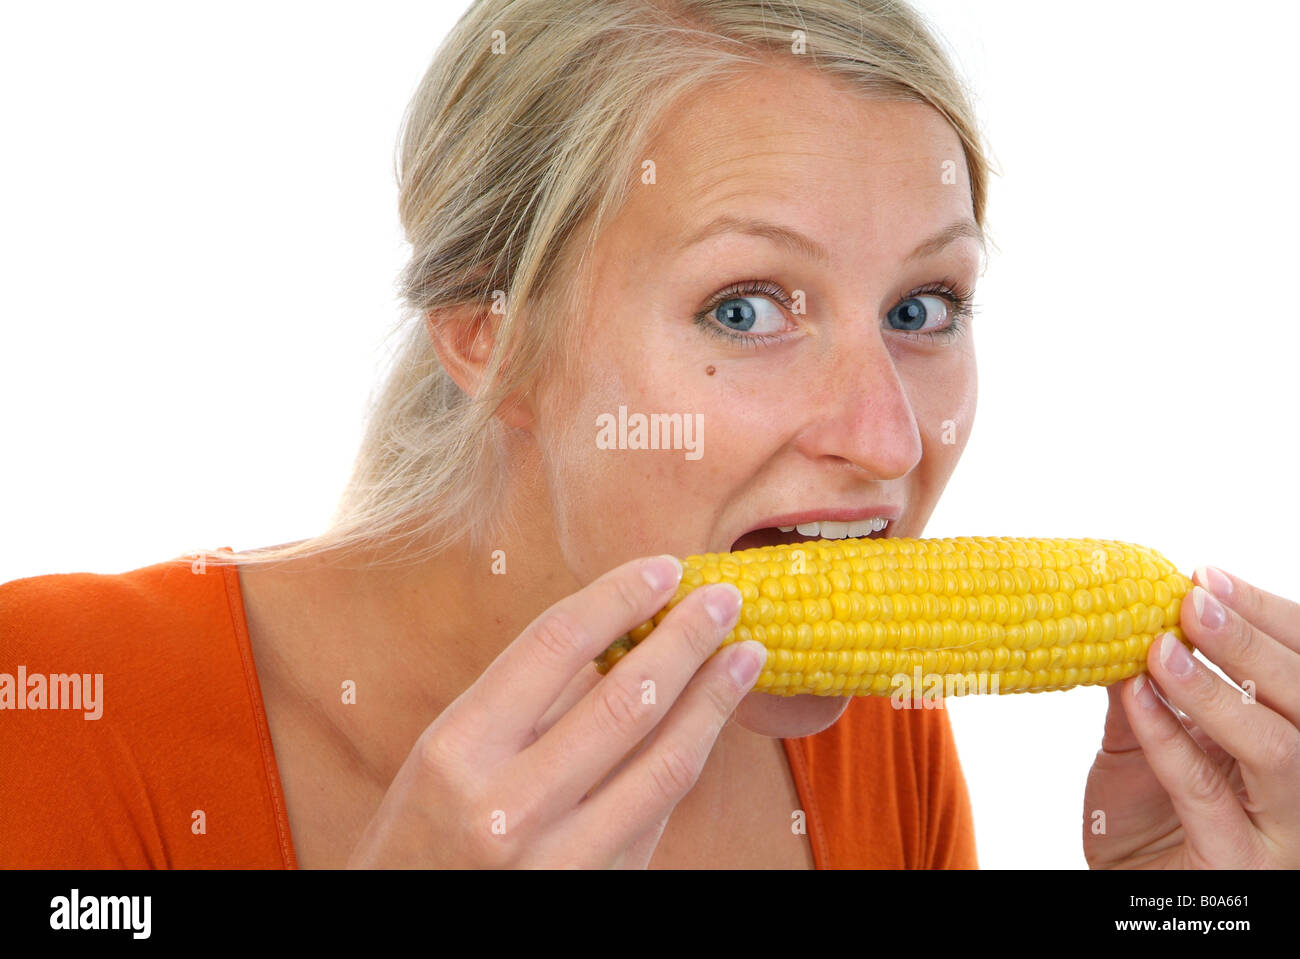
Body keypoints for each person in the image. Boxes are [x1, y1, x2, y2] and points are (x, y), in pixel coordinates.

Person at [4, 0, 1296, 870]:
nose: (887, 440)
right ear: (489, 333)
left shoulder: (868, 739)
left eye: (922, 306)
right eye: (746, 306)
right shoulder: (56, 702)